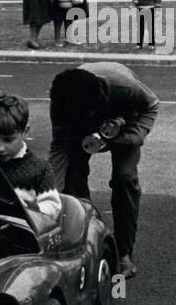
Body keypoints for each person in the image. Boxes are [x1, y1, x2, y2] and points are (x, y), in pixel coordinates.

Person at [49, 63, 159, 279]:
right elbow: (59, 147)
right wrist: (51, 194)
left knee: (124, 178)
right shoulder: (62, 101)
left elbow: (151, 105)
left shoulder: (123, 85)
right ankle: (87, 240)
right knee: (72, 177)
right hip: (82, 122)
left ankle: (124, 252)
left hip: (126, 125)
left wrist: (133, 137)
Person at [0, 94, 62, 235]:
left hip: (21, 235)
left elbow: (53, 208)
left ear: (25, 131)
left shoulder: (40, 168)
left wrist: (30, 209)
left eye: (8, 140)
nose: (0, 148)